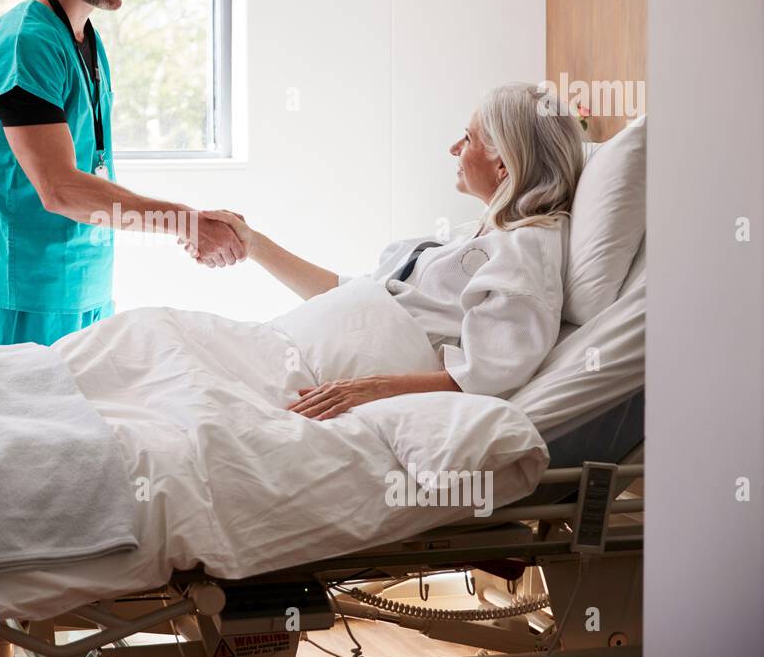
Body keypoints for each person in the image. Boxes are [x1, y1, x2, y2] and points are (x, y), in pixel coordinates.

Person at [203, 82, 585, 419]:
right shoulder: (483, 232)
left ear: (502, 165)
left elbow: (486, 375)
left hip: (313, 380)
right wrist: (254, 243)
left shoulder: (524, 252)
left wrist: (368, 388)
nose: (454, 148)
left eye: (467, 139)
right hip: (287, 352)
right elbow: (353, 296)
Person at [0, 0, 246, 346]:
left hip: (87, 282)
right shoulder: (25, 43)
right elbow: (59, 189)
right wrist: (185, 222)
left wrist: (189, 223)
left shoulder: (86, 39)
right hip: (30, 291)